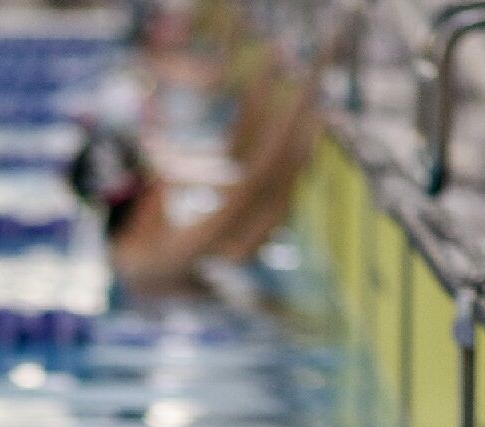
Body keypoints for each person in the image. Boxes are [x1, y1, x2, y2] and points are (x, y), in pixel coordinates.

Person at [66, 11, 356, 296]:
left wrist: (303, 105)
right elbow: (251, 191)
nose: (166, 178)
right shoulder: (151, 257)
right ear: (144, 188)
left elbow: (257, 220)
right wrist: (314, 84)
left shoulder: (139, 246)